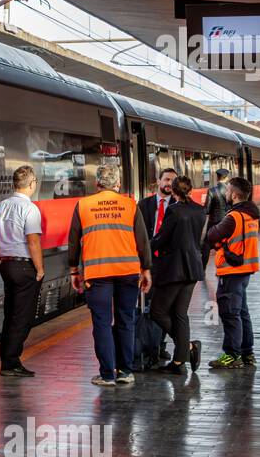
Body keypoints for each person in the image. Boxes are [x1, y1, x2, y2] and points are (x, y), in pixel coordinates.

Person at [68, 164, 152, 387]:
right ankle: (125, 371)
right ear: (118, 184)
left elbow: (73, 241)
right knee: (126, 320)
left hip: (97, 274)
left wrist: (73, 270)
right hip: (128, 272)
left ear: (96, 184)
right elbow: (142, 241)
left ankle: (107, 374)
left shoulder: (83, 205)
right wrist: (146, 269)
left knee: (102, 323)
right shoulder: (130, 205)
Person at [147, 175, 205, 376]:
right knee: (180, 313)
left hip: (174, 269)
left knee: (158, 311)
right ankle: (180, 358)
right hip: (193, 268)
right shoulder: (199, 210)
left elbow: (162, 239)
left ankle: (187, 348)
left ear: (173, 191)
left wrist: (146, 248)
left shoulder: (174, 211)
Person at [0, 165, 45, 377]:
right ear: (31, 184)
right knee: (23, 316)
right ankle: (11, 362)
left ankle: (7, 359)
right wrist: (39, 269)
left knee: (11, 313)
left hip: (6, 264)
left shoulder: (0, 207)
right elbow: (33, 241)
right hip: (24, 266)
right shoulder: (30, 209)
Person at [206, 176, 260, 369]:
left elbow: (211, 235)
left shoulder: (234, 217)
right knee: (242, 312)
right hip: (245, 270)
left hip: (232, 270)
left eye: (227, 191)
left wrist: (219, 242)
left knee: (230, 313)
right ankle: (247, 353)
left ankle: (232, 355)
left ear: (235, 195)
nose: (225, 194)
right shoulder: (251, 215)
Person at [137, 167, 176, 368]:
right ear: (158, 182)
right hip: (149, 263)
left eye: (172, 181)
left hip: (169, 265)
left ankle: (160, 345)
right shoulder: (143, 205)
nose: (169, 183)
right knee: (147, 305)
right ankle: (148, 346)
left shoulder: (178, 207)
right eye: (166, 179)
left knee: (164, 308)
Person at [202, 168, 231, 270]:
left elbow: (207, 209)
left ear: (217, 177)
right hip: (227, 222)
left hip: (213, 223)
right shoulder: (230, 191)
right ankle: (227, 266)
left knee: (206, 246)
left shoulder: (211, 191)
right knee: (226, 245)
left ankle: (202, 270)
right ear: (226, 177)